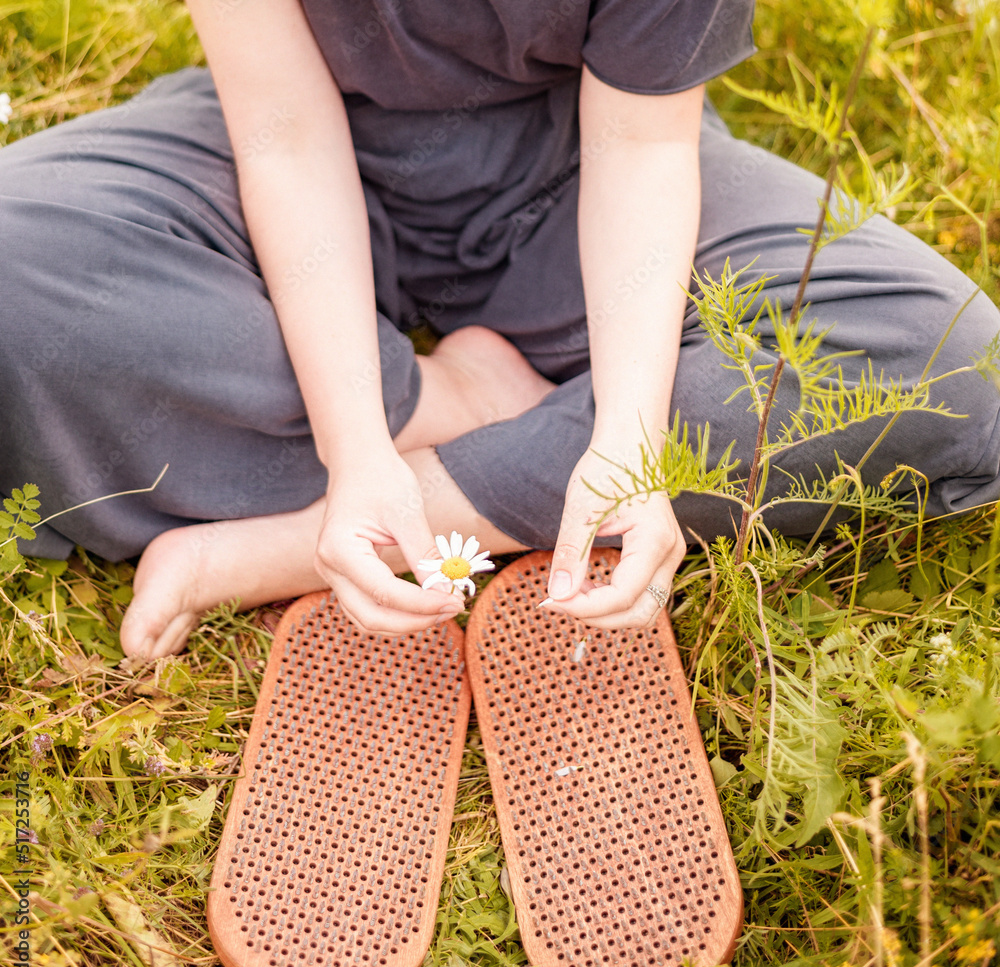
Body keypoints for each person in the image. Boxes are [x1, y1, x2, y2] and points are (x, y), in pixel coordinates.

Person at [2, 1, 998, 659]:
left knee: (946, 366)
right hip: (292, 151)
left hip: (577, 170)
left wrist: (632, 442)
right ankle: (450, 405)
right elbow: (284, 137)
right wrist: (357, 443)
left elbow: (643, 146)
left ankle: (328, 534)